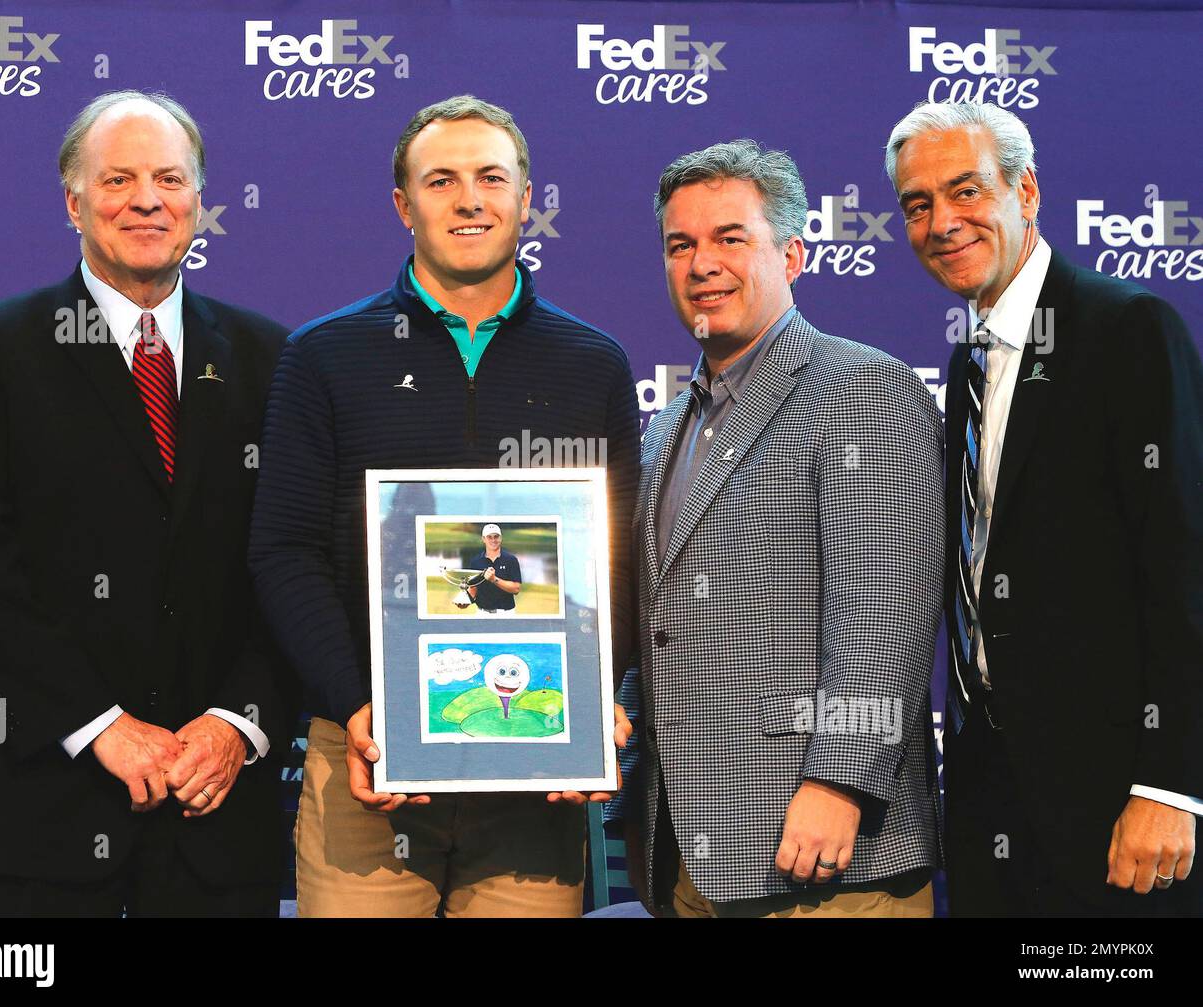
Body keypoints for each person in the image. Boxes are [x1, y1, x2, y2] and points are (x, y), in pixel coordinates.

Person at [248, 95, 638, 917]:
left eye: (492, 178)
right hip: (365, 761)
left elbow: (621, 559)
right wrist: (358, 707)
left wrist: (593, 696)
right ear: (403, 204)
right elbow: (284, 550)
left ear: (527, 199)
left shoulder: (592, 362)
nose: (470, 199)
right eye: (442, 180)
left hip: (537, 769)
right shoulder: (323, 356)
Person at [0, 91, 295, 917]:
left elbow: (298, 561)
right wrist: (98, 723)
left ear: (198, 199)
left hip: (216, 813)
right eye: (117, 178)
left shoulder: (276, 359)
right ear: (72, 201)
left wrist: (237, 722)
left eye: (169, 177)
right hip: (34, 811)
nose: (147, 199)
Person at [886, 99, 1203, 916]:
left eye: (965, 191)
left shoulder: (1127, 329)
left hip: (1118, 807)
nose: (941, 221)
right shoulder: (966, 366)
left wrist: (1170, 782)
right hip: (993, 800)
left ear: (1026, 192)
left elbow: (1185, 567)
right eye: (917, 205)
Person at [626, 140, 944, 917]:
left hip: (827, 862)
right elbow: (661, 625)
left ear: (793, 254)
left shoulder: (861, 386)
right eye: (681, 244)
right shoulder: (667, 429)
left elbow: (884, 609)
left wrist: (840, 779)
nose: (703, 263)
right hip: (688, 858)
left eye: (731, 238)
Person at [465, 523, 521, 612]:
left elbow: (516, 589)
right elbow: (473, 588)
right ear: (483, 539)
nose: (493, 540)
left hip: (505, 613)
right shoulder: (476, 561)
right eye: (489, 537)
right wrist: (465, 602)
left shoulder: (511, 560)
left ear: (501, 538)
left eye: (496, 536)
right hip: (482, 613)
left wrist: (494, 579)